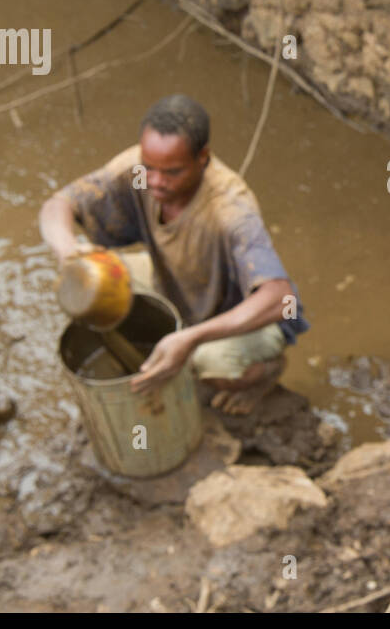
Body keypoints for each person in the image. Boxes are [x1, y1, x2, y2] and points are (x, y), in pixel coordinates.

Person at [40, 94, 309, 414]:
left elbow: (280, 298)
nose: (155, 181)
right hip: (175, 283)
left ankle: (264, 372)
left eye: (172, 172)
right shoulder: (137, 168)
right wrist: (68, 252)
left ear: (203, 158)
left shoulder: (231, 211)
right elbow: (58, 205)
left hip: (240, 315)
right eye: (149, 167)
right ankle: (182, 335)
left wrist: (191, 339)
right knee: (99, 284)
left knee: (206, 362)